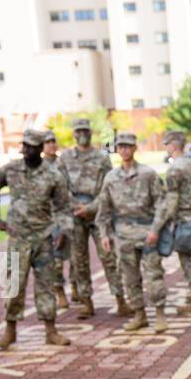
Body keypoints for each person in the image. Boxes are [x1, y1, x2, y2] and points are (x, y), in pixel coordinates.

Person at [0, 129, 74, 351]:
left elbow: (63, 206)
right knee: (14, 285)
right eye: (25, 146)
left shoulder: (53, 175)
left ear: (41, 148)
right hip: (18, 238)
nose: (27, 150)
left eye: (32, 147)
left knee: (45, 285)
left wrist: (62, 230)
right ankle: (10, 329)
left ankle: (51, 331)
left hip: (44, 237)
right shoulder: (11, 169)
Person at [97, 131, 172, 333]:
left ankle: (159, 313)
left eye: (128, 146)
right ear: (117, 149)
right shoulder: (111, 177)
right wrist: (104, 233)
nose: (124, 150)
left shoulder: (148, 174)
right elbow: (104, 208)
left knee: (153, 275)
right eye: (121, 146)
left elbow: (161, 203)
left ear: (135, 148)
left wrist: (156, 229)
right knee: (129, 277)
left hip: (147, 232)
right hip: (123, 235)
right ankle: (139, 314)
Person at [59, 117, 123, 318]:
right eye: (78, 131)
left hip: (98, 213)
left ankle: (120, 299)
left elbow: (109, 186)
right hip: (75, 215)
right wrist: (76, 207)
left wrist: (92, 207)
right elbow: (60, 187)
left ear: (90, 133)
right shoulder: (65, 158)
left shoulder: (101, 158)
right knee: (79, 261)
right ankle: (87, 303)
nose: (82, 134)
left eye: (85, 130)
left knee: (109, 257)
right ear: (74, 134)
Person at [160, 129, 191, 315]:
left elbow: (172, 201)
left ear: (172, 146)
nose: (166, 148)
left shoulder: (174, 169)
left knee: (188, 259)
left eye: (166, 145)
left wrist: (161, 223)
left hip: (184, 219)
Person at [41, 131, 72, 313]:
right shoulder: (40, 167)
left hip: (68, 215)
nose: (52, 145)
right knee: (56, 260)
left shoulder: (63, 165)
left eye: (54, 141)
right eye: (48, 142)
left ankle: (76, 287)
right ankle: (59, 291)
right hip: (49, 220)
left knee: (77, 258)